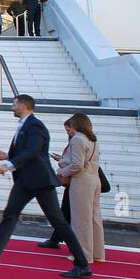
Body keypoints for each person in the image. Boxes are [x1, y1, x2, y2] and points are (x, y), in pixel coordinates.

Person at [0, 94, 92, 279]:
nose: (12, 107)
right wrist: (7, 157)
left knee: (58, 222)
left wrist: (8, 165)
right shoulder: (25, 126)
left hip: (40, 181)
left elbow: (33, 152)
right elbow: (27, 152)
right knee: (10, 213)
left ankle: (82, 264)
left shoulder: (35, 126)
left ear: (23, 106)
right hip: (26, 180)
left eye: (14, 104)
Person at [39, 113, 105, 264]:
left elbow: (77, 165)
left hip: (82, 181)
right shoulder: (92, 139)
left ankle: (83, 255)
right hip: (95, 179)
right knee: (95, 217)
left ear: (75, 126)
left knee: (81, 220)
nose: (68, 133)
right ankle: (98, 253)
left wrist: (61, 171)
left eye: (68, 130)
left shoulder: (77, 139)